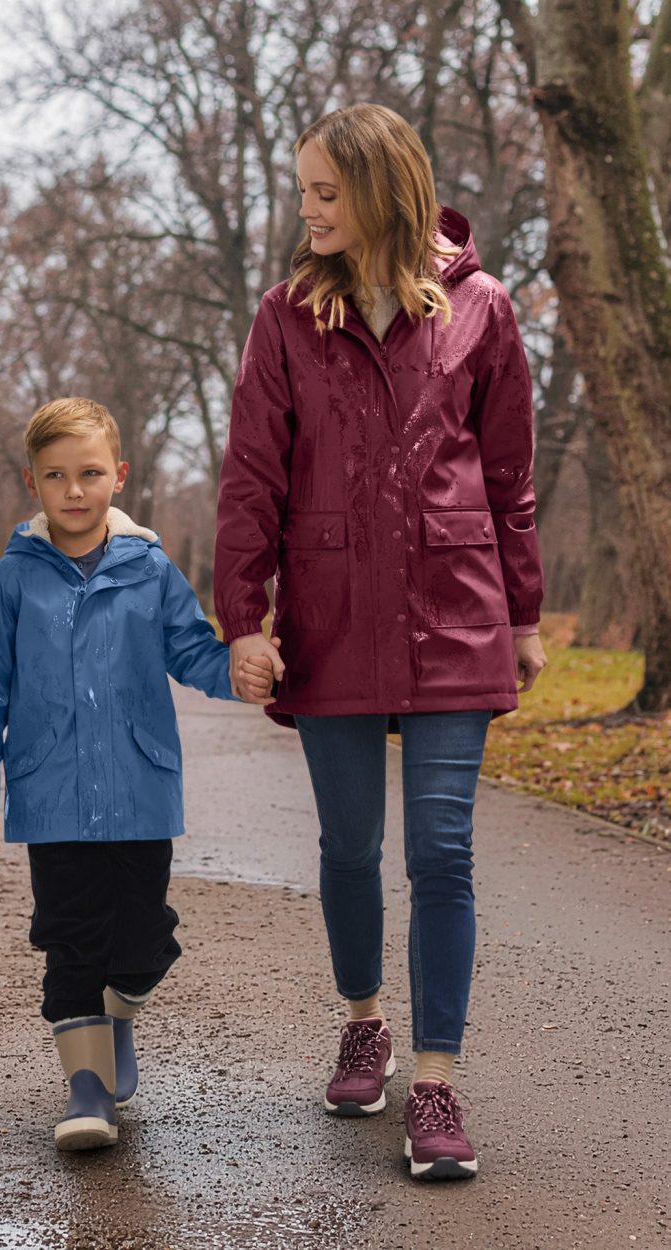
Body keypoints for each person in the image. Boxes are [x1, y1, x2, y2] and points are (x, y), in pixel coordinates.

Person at [214, 104, 548, 1181]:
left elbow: (508, 478)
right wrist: (240, 616)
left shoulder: (480, 307)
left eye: (323, 190)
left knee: (439, 851)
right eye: (302, 189)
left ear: (377, 190)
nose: (305, 208)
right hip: (331, 615)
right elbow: (249, 477)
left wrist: (527, 611)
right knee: (349, 846)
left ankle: (437, 1079)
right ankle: (362, 1017)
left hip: (457, 606)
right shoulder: (284, 316)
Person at [0, 397, 273, 1151]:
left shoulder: (150, 571)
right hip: (49, 794)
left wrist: (242, 670)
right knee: (68, 940)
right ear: (33, 482)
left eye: (89, 473)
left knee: (140, 941)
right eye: (56, 475)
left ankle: (119, 1009)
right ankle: (86, 1091)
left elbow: (193, 652)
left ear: (117, 477)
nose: (74, 490)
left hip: (140, 789)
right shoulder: (10, 581)